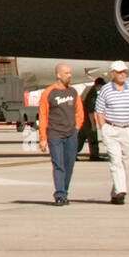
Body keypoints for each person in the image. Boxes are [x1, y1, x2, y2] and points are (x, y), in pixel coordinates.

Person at [95, 60, 129, 205]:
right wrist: (104, 128)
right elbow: (99, 111)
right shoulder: (106, 90)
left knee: (126, 161)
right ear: (113, 74)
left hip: (128, 129)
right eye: (119, 72)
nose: (122, 74)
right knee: (115, 161)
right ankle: (121, 191)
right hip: (111, 129)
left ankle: (115, 192)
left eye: (124, 72)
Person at [38, 63, 84, 206]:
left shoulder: (73, 92)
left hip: (71, 134)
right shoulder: (49, 92)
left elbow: (79, 112)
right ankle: (59, 194)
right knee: (59, 165)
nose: (69, 75)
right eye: (66, 73)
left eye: (70, 73)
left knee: (69, 165)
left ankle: (64, 191)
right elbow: (43, 115)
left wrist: (77, 127)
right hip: (55, 134)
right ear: (58, 75)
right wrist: (43, 138)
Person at [78, 77, 105, 160]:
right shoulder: (92, 95)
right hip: (88, 120)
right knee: (92, 138)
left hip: (82, 118)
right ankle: (94, 156)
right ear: (98, 85)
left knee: (80, 138)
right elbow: (90, 111)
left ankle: (71, 154)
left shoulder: (88, 90)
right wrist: (93, 124)